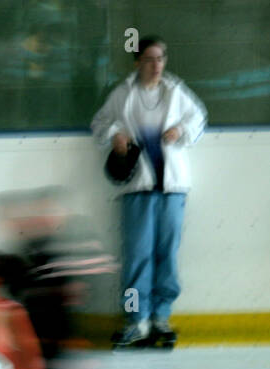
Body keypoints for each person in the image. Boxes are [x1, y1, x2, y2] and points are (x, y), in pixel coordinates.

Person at [91, 36, 206, 348]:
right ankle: (134, 321)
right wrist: (116, 135)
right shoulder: (123, 94)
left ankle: (160, 318)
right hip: (137, 187)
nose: (157, 65)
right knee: (137, 257)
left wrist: (181, 130)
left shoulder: (176, 92)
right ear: (137, 62)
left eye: (161, 58)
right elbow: (99, 123)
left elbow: (198, 118)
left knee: (166, 255)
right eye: (150, 59)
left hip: (172, 188)